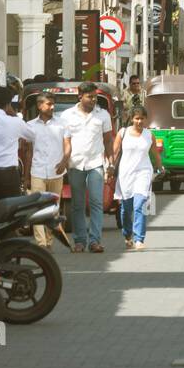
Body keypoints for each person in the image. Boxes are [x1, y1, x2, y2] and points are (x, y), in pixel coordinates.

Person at [59, 82, 113, 254]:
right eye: (90, 97)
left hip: (96, 162)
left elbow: (108, 141)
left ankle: (95, 241)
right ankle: (80, 241)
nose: (93, 100)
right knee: (78, 204)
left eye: (95, 97)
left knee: (96, 202)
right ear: (80, 96)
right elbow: (65, 141)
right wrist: (64, 161)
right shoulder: (67, 116)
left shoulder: (103, 115)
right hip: (75, 164)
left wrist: (110, 163)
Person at [20, 93, 65, 249]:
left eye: (53, 104)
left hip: (56, 172)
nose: (52, 107)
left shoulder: (61, 124)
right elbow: (28, 152)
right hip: (37, 172)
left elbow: (68, 145)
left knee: (53, 209)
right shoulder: (30, 126)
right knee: (37, 209)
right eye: (48, 104)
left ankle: (50, 240)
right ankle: (41, 244)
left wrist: (64, 162)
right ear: (40, 106)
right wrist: (25, 177)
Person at [113, 105, 161, 250]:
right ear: (132, 119)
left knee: (140, 204)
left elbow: (155, 154)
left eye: (142, 118)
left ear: (146, 119)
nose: (139, 121)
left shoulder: (149, 135)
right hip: (126, 174)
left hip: (143, 172)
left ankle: (139, 239)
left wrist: (160, 167)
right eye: (137, 118)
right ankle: (127, 235)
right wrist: (108, 169)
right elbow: (115, 153)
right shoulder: (123, 133)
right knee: (126, 209)